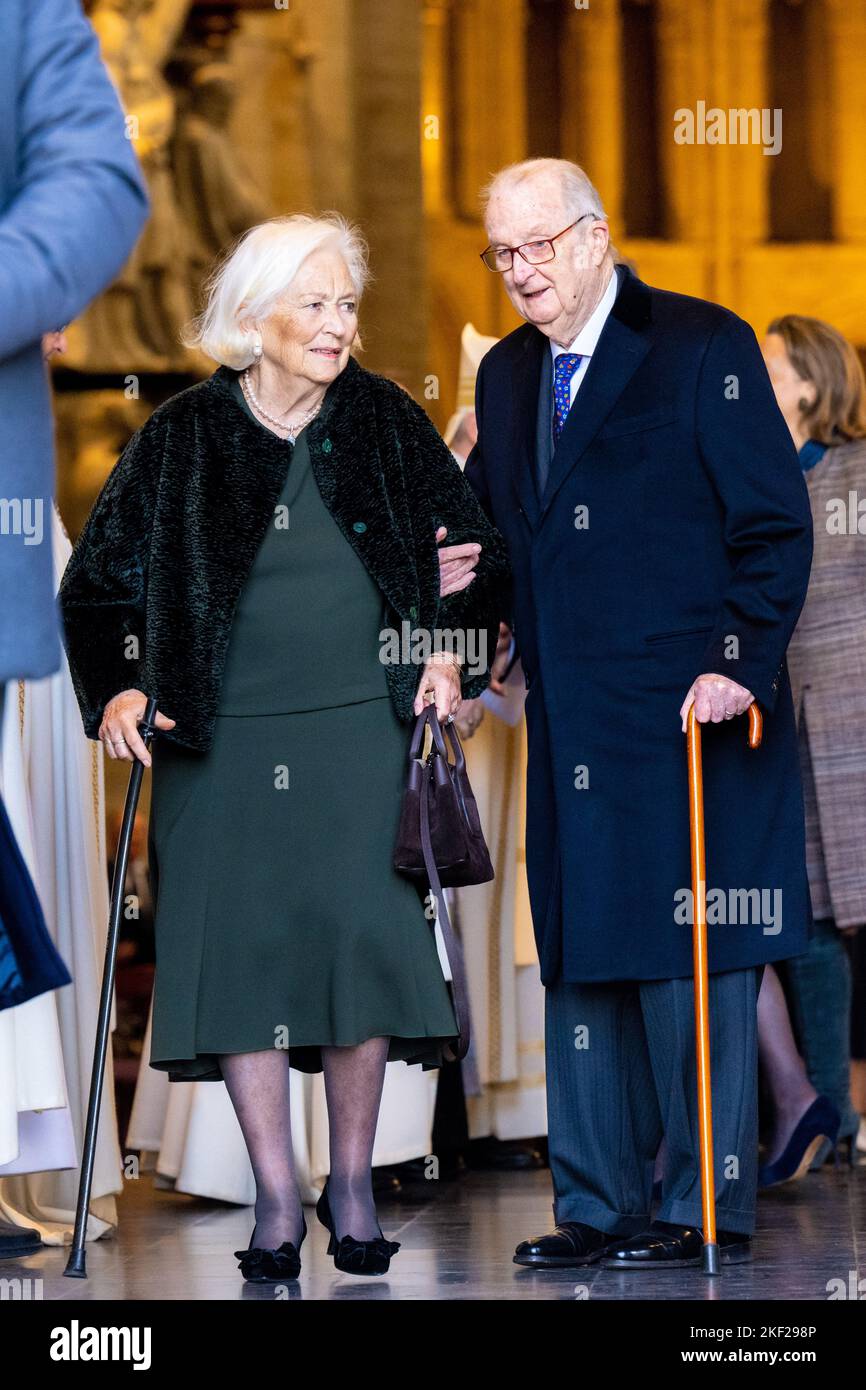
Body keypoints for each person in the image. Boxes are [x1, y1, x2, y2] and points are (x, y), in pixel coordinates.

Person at [58, 213, 509, 1281]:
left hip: (361, 729)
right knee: (247, 957)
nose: (335, 325)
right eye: (313, 304)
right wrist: (118, 686)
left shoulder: (386, 423)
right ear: (252, 315)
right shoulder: (181, 434)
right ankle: (274, 1194)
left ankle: (349, 1186)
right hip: (218, 744)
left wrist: (444, 654)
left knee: (357, 950)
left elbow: (472, 556)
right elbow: (98, 587)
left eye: (346, 305)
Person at [464, 158, 813, 1269]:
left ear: (594, 235)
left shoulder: (700, 346)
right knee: (580, 958)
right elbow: (501, 548)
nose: (519, 273)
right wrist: (469, 635)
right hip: (569, 718)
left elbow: (770, 526)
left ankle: (696, 1205)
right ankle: (594, 1203)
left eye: (537, 247)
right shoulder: (507, 378)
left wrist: (736, 662)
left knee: (684, 963)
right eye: (501, 253)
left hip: (684, 713)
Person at [757, 315, 866, 1179]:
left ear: (807, 383)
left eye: (767, 361)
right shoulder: (759, 477)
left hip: (857, 727)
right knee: (812, 926)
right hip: (788, 734)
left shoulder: (857, 472)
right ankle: (830, 1112)